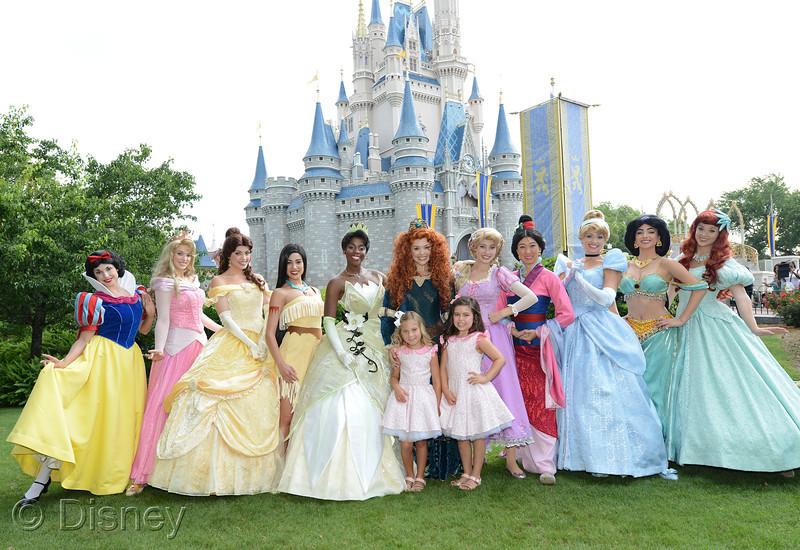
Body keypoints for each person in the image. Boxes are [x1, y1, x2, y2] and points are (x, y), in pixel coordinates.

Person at [9, 250, 154, 502]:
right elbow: (85, 339)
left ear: (117, 268)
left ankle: (111, 472)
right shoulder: (93, 301)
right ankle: (41, 480)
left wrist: (150, 312)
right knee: (79, 419)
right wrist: (64, 362)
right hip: (102, 361)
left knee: (120, 421)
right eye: (98, 272)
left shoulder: (136, 295)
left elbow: (142, 330)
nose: (105, 275)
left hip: (130, 363)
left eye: (108, 269)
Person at [149, 228, 282, 495]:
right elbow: (228, 320)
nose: (243, 258)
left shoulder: (258, 280)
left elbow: (271, 309)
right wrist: (250, 343)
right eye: (238, 253)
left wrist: (265, 341)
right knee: (209, 400)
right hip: (235, 342)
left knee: (260, 401)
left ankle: (256, 476)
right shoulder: (218, 281)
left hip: (261, 344)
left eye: (247, 253)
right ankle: (205, 478)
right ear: (228, 255)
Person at [277, 224, 405, 500]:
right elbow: (328, 322)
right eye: (351, 247)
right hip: (344, 342)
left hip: (374, 343)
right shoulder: (336, 282)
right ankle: (325, 476)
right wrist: (340, 351)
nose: (356, 252)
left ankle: (377, 472)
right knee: (336, 405)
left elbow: (388, 305)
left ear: (366, 251)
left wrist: (397, 320)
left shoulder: (379, 277)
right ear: (344, 250)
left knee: (376, 405)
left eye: (361, 248)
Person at [667, 210, 800, 474]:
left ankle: (776, 448)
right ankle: (699, 447)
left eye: (711, 230)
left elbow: (741, 297)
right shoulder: (680, 262)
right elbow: (669, 293)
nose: (704, 234)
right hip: (686, 327)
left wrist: (754, 328)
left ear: (720, 235)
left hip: (717, 329)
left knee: (733, 384)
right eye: (701, 228)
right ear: (693, 230)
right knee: (693, 386)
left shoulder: (724, 264)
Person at [555, 211, 673, 479]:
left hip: (600, 328)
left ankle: (613, 458)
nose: (593, 241)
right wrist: (564, 278)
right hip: (574, 333)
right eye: (588, 236)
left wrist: (579, 279)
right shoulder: (568, 263)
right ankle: (582, 457)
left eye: (598, 236)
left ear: (604, 239)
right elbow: (560, 299)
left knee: (605, 392)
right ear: (581, 238)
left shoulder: (612, 260)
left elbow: (607, 296)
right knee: (579, 395)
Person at [126, 233, 221, 496]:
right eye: (180, 253)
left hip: (199, 347)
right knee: (162, 406)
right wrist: (159, 348)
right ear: (170, 255)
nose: (184, 259)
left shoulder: (193, 280)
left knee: (197, 408)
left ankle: (190, 472)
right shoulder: (164, 282)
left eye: (188, 255)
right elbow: (164, 320)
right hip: (176, 349)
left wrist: (221, 331)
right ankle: (144, 474)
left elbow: (199, 315)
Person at [454, 228, 537, 478]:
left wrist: (504, 313)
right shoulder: (461, 271)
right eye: (482, 247)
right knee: (472, 391)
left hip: (494, 337)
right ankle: (476, 457)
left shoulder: (499, 273)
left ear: (497, 250)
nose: (487, 252)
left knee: (503, 392)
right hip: (467, 338)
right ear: (473, 248)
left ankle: (511, 460)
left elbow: (530, 297)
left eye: (492, 247)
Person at [382, 218, 459, 480]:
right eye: (416, 248)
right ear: (407, 251)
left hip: (436, 346)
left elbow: (451, 316)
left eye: (427, 247)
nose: (422, 253)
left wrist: (449, 346)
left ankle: (441, 466)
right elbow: (386, 318)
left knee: (435, 402)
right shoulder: (396, 280)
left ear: (434, 250)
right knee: (412, 405)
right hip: (406, 347)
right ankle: (412, 467)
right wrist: (391, 345)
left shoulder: (444, 278)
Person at [502, 216, 574, 485]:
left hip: (540, 351)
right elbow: (500, 311)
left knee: (542, 404)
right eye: (521, 246)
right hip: (513, 351)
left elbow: (566, 315)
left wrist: (540, 331)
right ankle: (518, 454)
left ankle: (544, 464)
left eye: (532, 245)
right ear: (515, 251)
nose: (527, 251)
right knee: (517, 401)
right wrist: (512, 328)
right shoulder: (508, 279)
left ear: (541, 249)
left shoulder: (549, 278)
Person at [619, 215, 707, 432]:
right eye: (640, 232)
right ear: (633, 238)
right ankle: (635, 439)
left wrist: (681, 319)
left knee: (656, 389)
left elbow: (700, 287)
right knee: (629, 387)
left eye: (650, 231)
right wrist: (616, 317)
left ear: (659, 237)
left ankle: (659, 443)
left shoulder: (667, 264)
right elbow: (607, 292)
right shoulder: (623, 265)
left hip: (659, 333)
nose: (645, 236)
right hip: (628, 333)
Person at [439, 296, 514, 491]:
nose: (461, 319)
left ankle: (476, 474)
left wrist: (486, 377)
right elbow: (443, 368)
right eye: (456, 315)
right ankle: (466, 471)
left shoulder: (479, 338)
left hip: (473, 392)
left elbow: (499, 359)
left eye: (466, 315)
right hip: (455, 393)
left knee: (476, 435)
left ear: (475, 317)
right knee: (461, 436)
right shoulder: (448, 340)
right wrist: (446, 390)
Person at [264, 243, 324, 446]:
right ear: (283, 265)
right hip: (292, 356)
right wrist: (281, 364)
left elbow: (320, 328)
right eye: (289, 262)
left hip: (315, 356)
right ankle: (281, 468)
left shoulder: (315, 291)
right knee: (287, 418)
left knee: (310, 414)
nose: (294, 266)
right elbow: (269, 335)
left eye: (298, 261)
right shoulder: (280, 293)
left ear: (304, 263)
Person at [381, 311, 442, 492]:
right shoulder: (399, 352)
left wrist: (437, 405)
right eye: (405, 331)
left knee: (421, 441)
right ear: (400, 333)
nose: (411, 335)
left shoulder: (431, 351)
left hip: (423, 399)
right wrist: (397, 387)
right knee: (406, 443)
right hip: (404, 399)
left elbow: (437, 381)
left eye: (414, 329)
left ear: (421, 328)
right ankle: (409, 474)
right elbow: (394, 377)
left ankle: (420, 476)